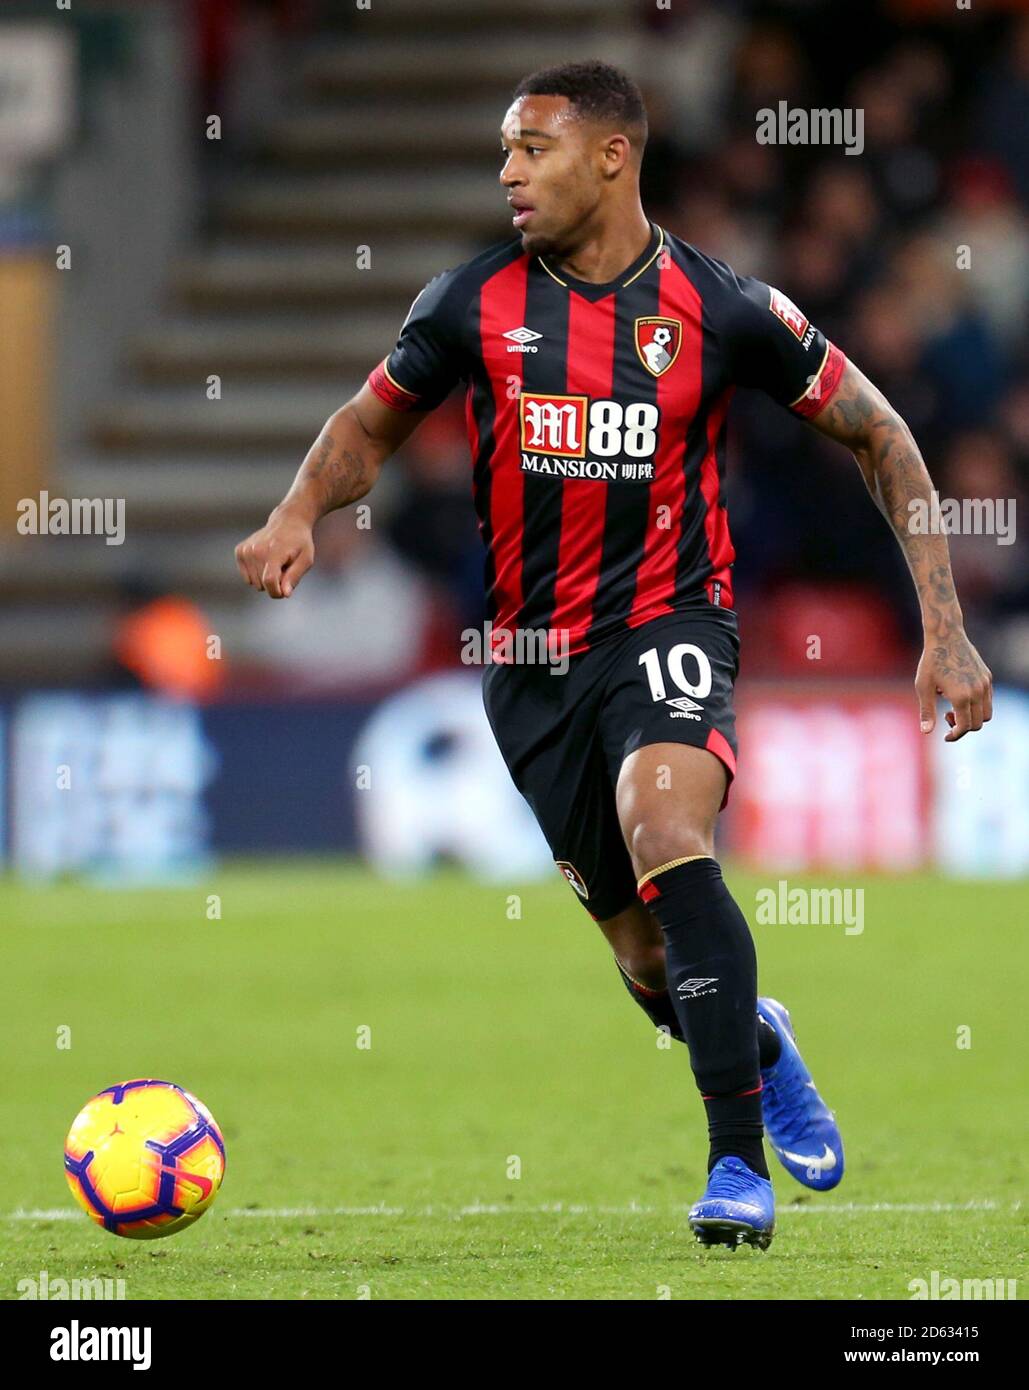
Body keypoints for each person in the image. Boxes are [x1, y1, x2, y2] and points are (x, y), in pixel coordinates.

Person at [234, 61, 993, 1250]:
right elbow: (365, 425)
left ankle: (735, 1168)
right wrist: (296, 513)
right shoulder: (469, 303)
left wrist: (945, 629)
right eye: (502, 151)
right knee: (648, 965)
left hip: (669, 623)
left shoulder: (718, 305)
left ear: (611, 155)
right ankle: (762, 1040)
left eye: (532, 147)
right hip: (530, 665)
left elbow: (879, 433)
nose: (508, 173)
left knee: (667, 832)